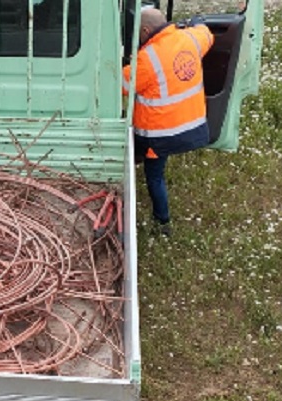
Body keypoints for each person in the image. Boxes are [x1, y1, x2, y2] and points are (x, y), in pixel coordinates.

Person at [122, 7, 214, 236]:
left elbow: (122, 86)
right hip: (192, 126)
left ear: (145, 30)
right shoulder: (190, 38)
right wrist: (196, 23)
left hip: (159, 134)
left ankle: (163, 223)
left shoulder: (147, 59)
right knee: (155, 171)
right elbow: (207, 34)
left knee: (153, 176)